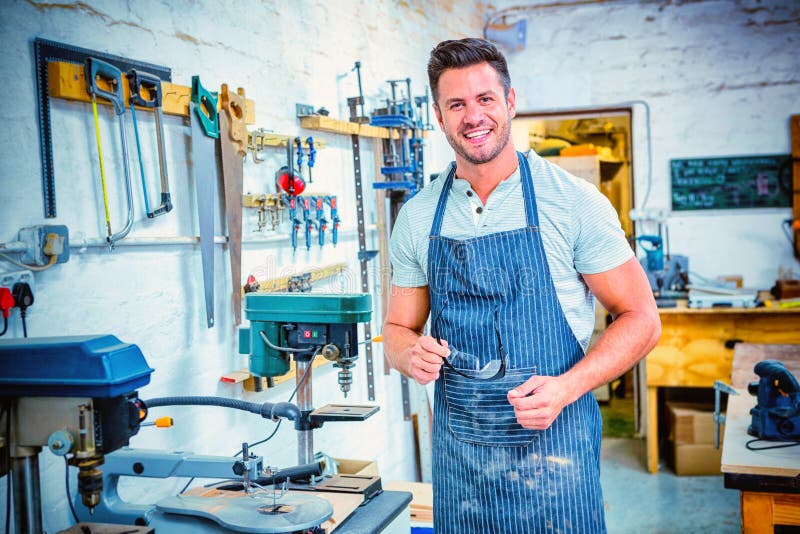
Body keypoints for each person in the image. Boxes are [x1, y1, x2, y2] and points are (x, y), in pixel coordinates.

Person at [383, 38, 661, 533]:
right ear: (440, 117)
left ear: (509, 102)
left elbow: (642, 319)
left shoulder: (573, 203)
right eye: (457, 104)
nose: (473, 116)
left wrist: (567, 387)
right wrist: (408, 354)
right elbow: (398, 330)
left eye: (485, 99)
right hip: (461, 463)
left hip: (556, 454)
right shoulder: (418, 216)